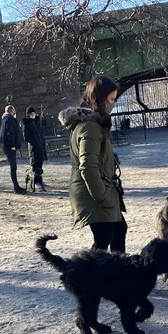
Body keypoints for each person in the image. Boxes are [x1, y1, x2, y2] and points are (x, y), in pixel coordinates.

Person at [58, 75, 126, 253]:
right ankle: (98, 277)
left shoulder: (94, 124)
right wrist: (101, 196)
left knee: (118, 230)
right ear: (100, 99)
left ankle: (117, 275)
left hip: (100, 189)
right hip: (93, 194)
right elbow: (88, 166)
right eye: (111, 99)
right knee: (103, 240)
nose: (113, 104)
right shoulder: (90, 127)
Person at [0, 104, 26, 194]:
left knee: (13, 167)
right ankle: (16, 187)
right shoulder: (10, 119)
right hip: (10, 147)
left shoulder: (4, 119)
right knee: (13, 167)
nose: (15, 113)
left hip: (6, 146)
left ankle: (16, 186)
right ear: (11, 111)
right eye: (14, 111)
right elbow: (10, 133)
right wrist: (12, 145)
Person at [22, 105, 48, 192]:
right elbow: (26, 136)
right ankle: (35, 182)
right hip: (33, 147)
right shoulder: (27, 123)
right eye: (31, 113)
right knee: (35, 164)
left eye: (34, 113)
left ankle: (40, 180)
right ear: (28, 114)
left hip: (40, 146)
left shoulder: (37, 121)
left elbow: (41, 131)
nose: (33, 115)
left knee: (40, 164)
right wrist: (34, 142)